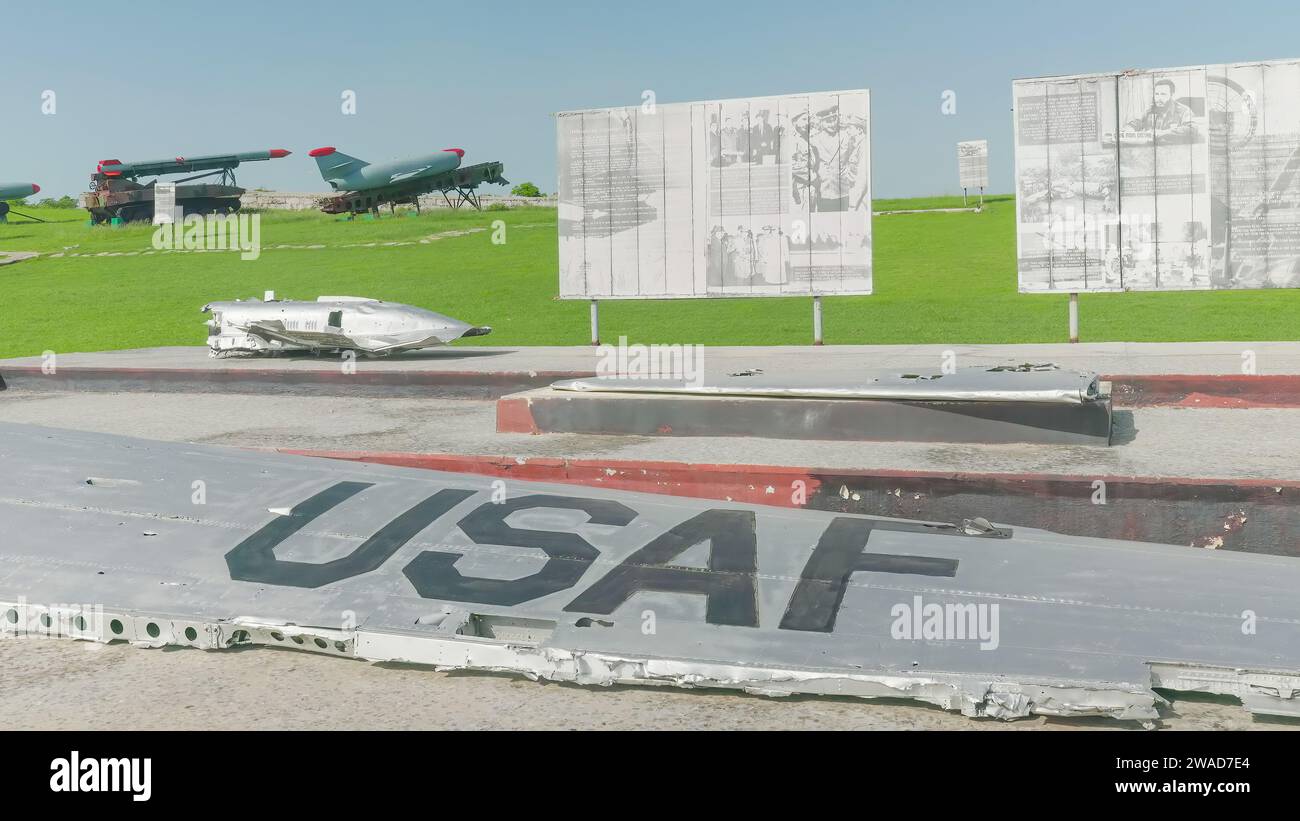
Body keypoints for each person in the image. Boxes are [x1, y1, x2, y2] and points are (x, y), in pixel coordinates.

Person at [1124, 78, 1197, 141]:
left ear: (1171, 94)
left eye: (1163, 94)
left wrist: (1162, 133)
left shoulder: (1184, 111)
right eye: (1156, 94)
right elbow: (1136, 123)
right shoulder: (1149, 111)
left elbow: (1192, 129)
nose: (1159, 98)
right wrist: (1129, 129)